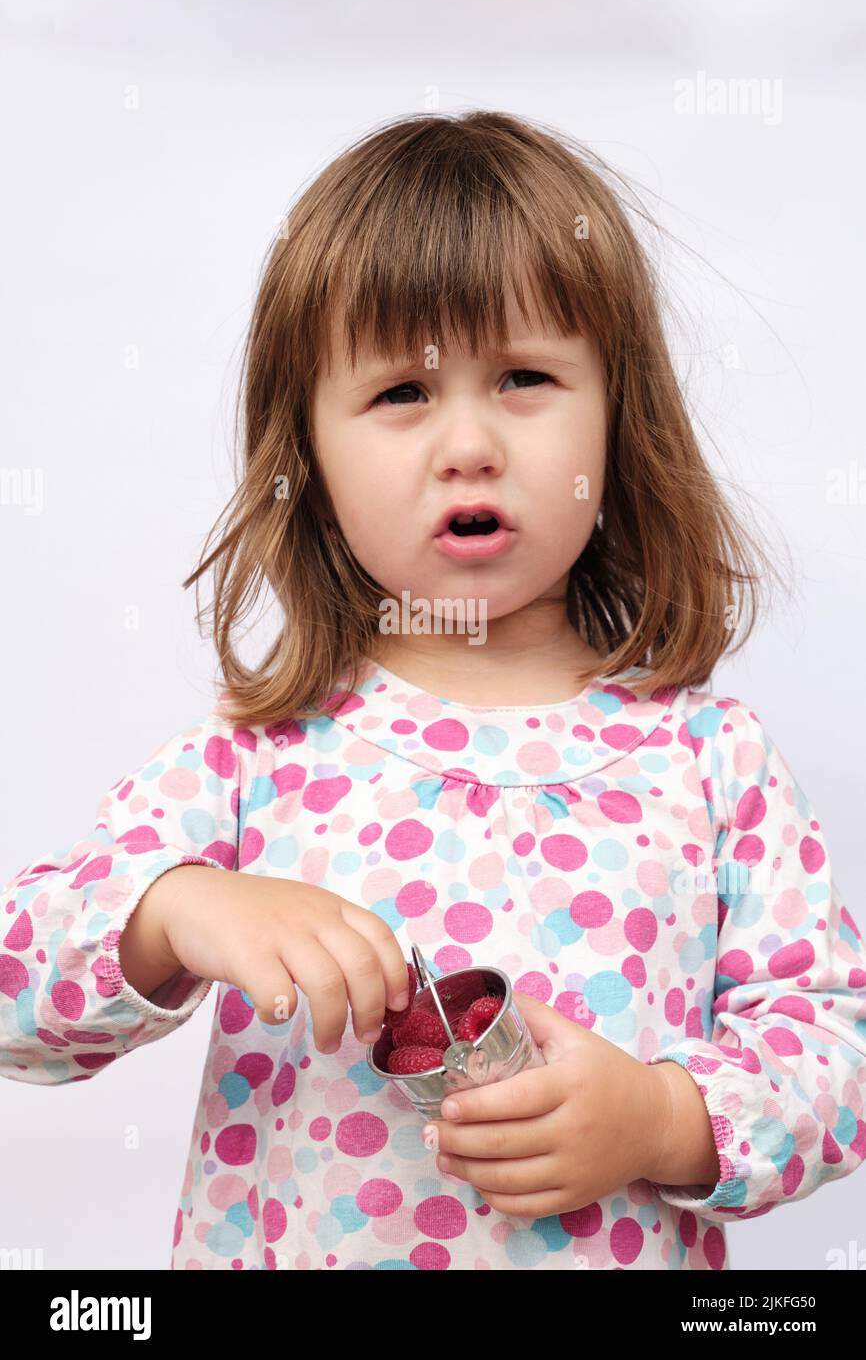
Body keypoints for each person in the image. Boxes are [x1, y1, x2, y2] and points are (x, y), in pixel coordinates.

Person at [2, 110, 864, 1271]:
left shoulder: (709, 760)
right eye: (400, 395)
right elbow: (18, 1005)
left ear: (617, 423)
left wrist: (662, 1116)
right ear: (305, 455)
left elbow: (834, 1050)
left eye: (523, 377)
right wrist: (173, 909)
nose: (467, 443)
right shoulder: (254, 759)